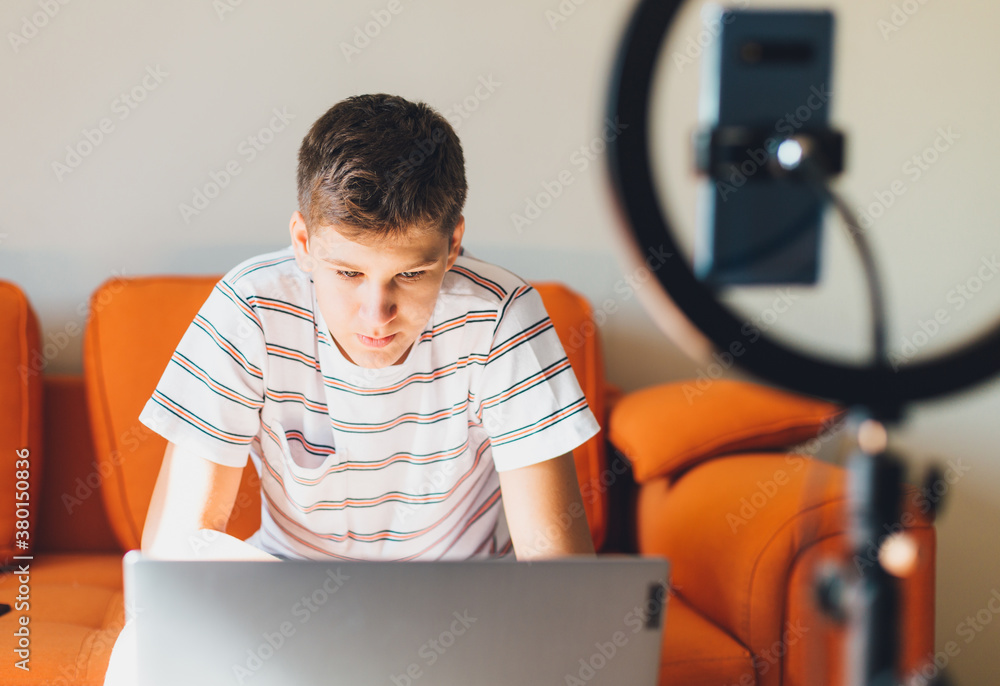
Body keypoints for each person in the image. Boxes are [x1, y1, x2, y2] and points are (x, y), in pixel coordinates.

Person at [102, 93, 600, 684]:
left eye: (410, 274)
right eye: (348, 273)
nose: (376, 315)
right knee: (142, 654)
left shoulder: (502, 316)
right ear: (304, 243)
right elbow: (179, 548)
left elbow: (556, 568)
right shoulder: (250, 309)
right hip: (288, 603)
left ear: (453, 243)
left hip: (463, 607)